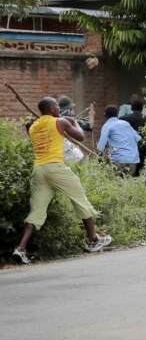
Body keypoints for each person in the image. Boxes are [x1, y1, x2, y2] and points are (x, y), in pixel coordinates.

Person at [11, 98, 112, 264]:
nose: (59, 108)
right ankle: (94, 239)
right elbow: (80, 136)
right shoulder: (61, 121)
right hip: (56, 168)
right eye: (57, 106)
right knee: (80, 199)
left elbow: (35, 126)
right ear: (51, 108)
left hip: (38, 170)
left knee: (36, 211)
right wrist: (74, 122)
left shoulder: (33, 126)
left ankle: (20, 248)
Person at [97, 104, 141, 174]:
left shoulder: (107, 126)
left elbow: (100, 147)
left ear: (105, 114)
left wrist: (98, 157)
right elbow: (138, 138)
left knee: (117, 183)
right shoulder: (126, 123)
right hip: (132, 159)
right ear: (117, 114)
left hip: (118, 160)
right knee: (130, 183)